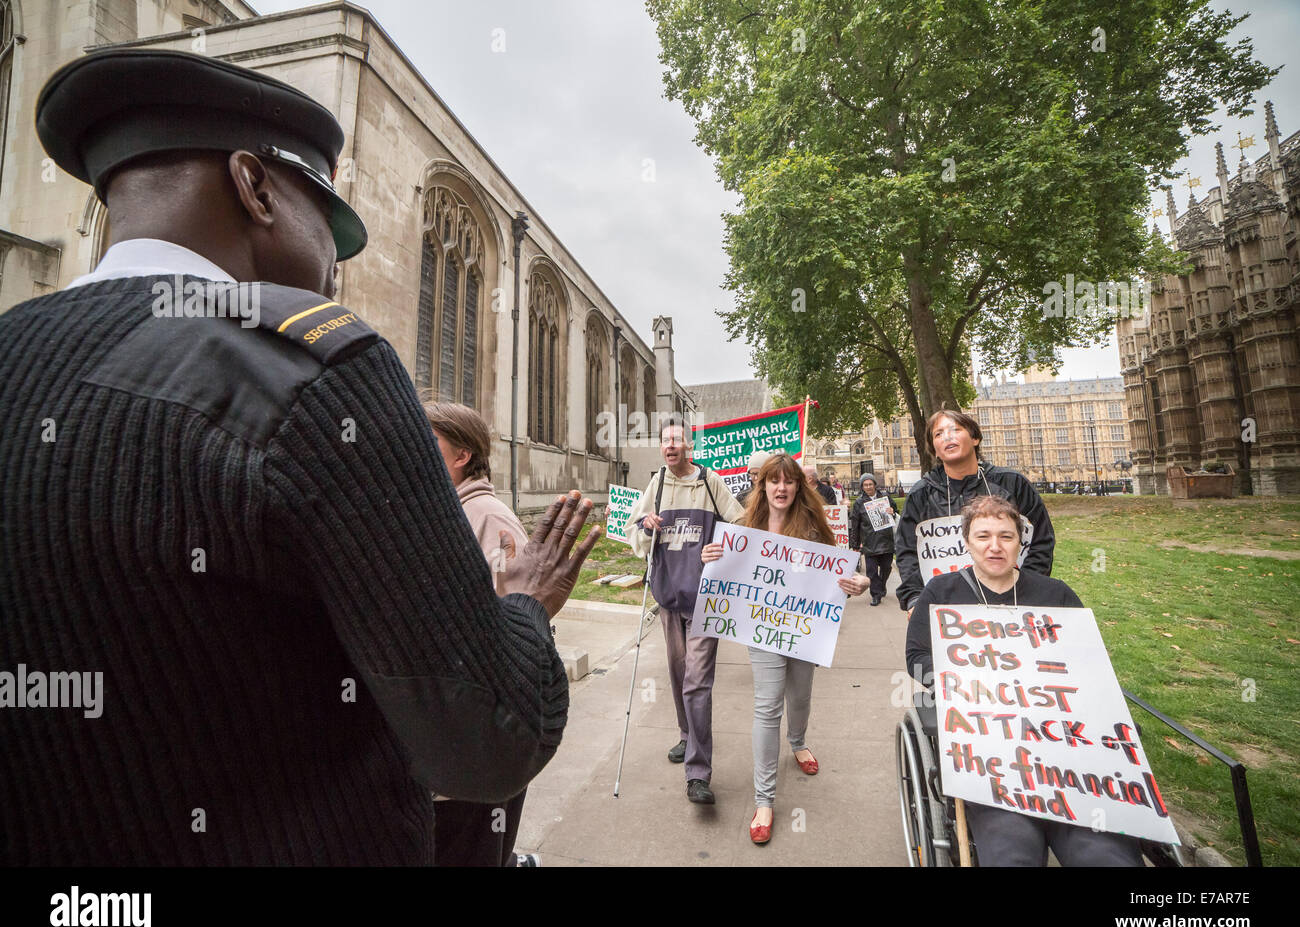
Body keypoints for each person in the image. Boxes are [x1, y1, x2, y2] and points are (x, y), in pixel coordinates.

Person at [0, 48, 599, 865]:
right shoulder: (311, 368)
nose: (334, 267)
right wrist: (525, 603)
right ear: (255, 187)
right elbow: (486, 738)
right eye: (330, 227)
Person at [904, 496, 1142, 866]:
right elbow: (918, 660)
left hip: (1066, 749)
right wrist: (972, 682)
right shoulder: (941, 593)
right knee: (1011, 851)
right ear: (967, 541)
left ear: (1021, 543)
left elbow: (1088, 662)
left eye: (1006, 536)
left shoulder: (1055, 594)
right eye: (983, 536)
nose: (995, 546)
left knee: (1104, 855)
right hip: (990, 747)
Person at [702, 453, 866, 844]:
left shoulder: (812, 527)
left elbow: (837, 574)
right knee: (767, 703)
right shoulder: (743, 526)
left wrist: (859, 583)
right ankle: (764, 800)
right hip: (762, 630)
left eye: (788, 481)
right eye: (773, 481)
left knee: (800, 696)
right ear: (762, 486)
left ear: (797, 487)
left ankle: (798, 741)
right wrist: (708, 557)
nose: (780, 487)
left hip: (804, 630)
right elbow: (722, 570)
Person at [423, 400, 535, 868]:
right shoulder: (446, 510)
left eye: (429, 440)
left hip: (477, 741)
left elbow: (517, 627)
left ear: (462, 454)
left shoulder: (489, 518)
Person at [627, 417, 744, 805]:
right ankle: (685, 734)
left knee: (696, 681)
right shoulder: (656, 484)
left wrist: (723, 547)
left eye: (677, 439)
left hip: (706, 602)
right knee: (678, 674)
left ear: (688, 445)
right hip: (668, 600)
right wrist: (645, 526)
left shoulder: (710, 482)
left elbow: (742, 526)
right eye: (665, 440)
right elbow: (634, 533)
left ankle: (698, 773)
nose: (671, 445)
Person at [895, 410, 1054, 619]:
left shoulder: (1013, 484)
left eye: (955, 430)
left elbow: (1040, 542)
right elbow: (907, 552)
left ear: (975, 438)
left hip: (1010, 604)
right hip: (946, 608)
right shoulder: (921, 494)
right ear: (934, 449)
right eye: (938, 434)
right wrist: (915, 599)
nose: (947, 437)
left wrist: (1026, 590)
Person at [848, 473, 899, 605]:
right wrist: (855, 544)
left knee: (886, 567)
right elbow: (855, 525)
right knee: (871, 571)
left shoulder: (885, 498)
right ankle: (876, 594)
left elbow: (895, 512)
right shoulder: (859, 502)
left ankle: (881, 585)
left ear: (875, 485)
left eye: (870, 484)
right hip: (869, 541)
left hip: (886, 539)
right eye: (865, 485)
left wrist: (892, 512)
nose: (868, 487)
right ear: (862, 487)